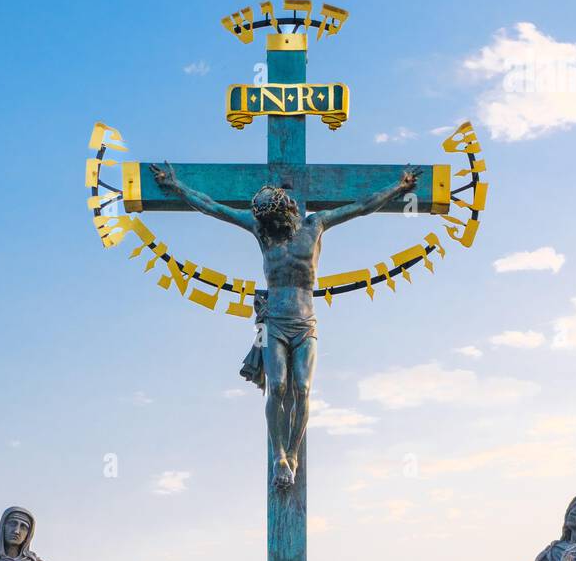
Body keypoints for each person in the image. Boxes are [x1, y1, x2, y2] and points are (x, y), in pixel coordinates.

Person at [150, 163, 416, 488]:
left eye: (274, 221)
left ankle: (292, 453)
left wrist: (398, 188)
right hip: (274, 322)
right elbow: (214, 208)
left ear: (287, 211)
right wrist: (176, 187)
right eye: (266, 222)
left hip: (305, 323)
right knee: (277, 388)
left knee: (302, 388)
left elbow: (361, 207)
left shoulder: (315, 225)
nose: (270, 226)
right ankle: (279, 455)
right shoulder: (262, 232)